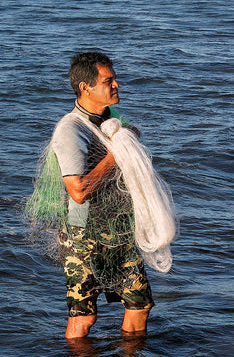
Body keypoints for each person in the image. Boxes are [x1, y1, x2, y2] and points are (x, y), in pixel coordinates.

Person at [49, 51, 156, 340]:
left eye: (115, 78)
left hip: (118, 230)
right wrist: (117, 154)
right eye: (108, 80)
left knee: (139, 305)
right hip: (83, 236)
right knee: (84, 316)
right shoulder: (71, 130)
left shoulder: (110, 118)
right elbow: (78, 191)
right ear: (86, 87)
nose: (117, 84)